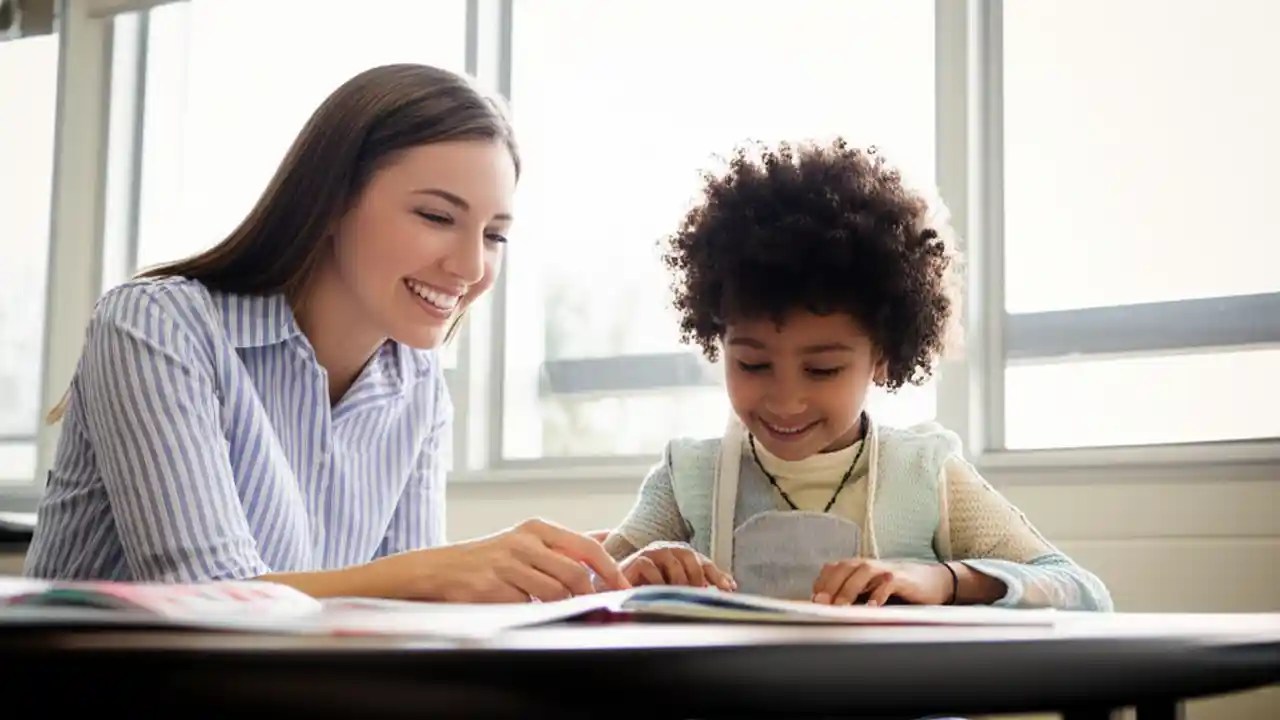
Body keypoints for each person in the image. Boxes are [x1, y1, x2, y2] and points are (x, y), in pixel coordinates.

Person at [23, 63, 628, 602]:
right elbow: (207, 600)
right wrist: (436, 571)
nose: (471, 268)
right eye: (437, 217)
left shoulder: (417, 385)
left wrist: (595, 577)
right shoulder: (156, 326)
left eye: (495, 234)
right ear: (332, 201)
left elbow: (405, 618)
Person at [600, 138, 1112, 611]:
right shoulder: (688, 476)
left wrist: (946, 580)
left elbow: (1083, 593)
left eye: (822, 369)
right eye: (752, 363)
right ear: (719, 341)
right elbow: (585, 586)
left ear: (883, 355)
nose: (785, 399)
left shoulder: (923, 473)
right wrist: (633, 573)